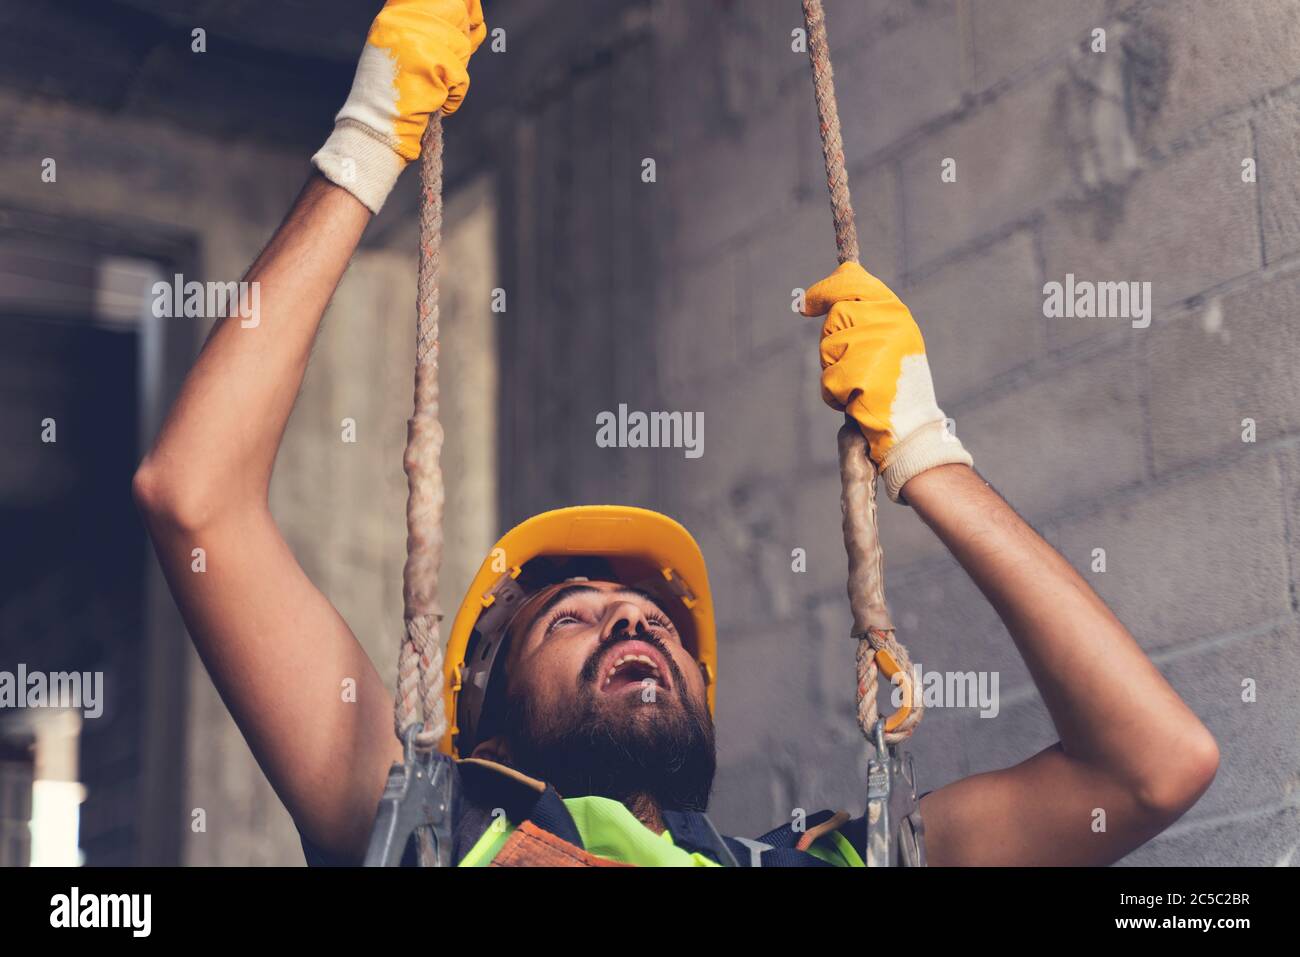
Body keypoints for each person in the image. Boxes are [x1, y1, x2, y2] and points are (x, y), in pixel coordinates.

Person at [133, 0, 1218, 867]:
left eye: (650, 618)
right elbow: (195, 497)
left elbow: (1151, 767)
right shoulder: (432, 832)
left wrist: (926, 453)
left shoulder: (819, 860)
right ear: (487, 731)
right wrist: (370, 142)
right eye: (574, 617)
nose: (633, 625)